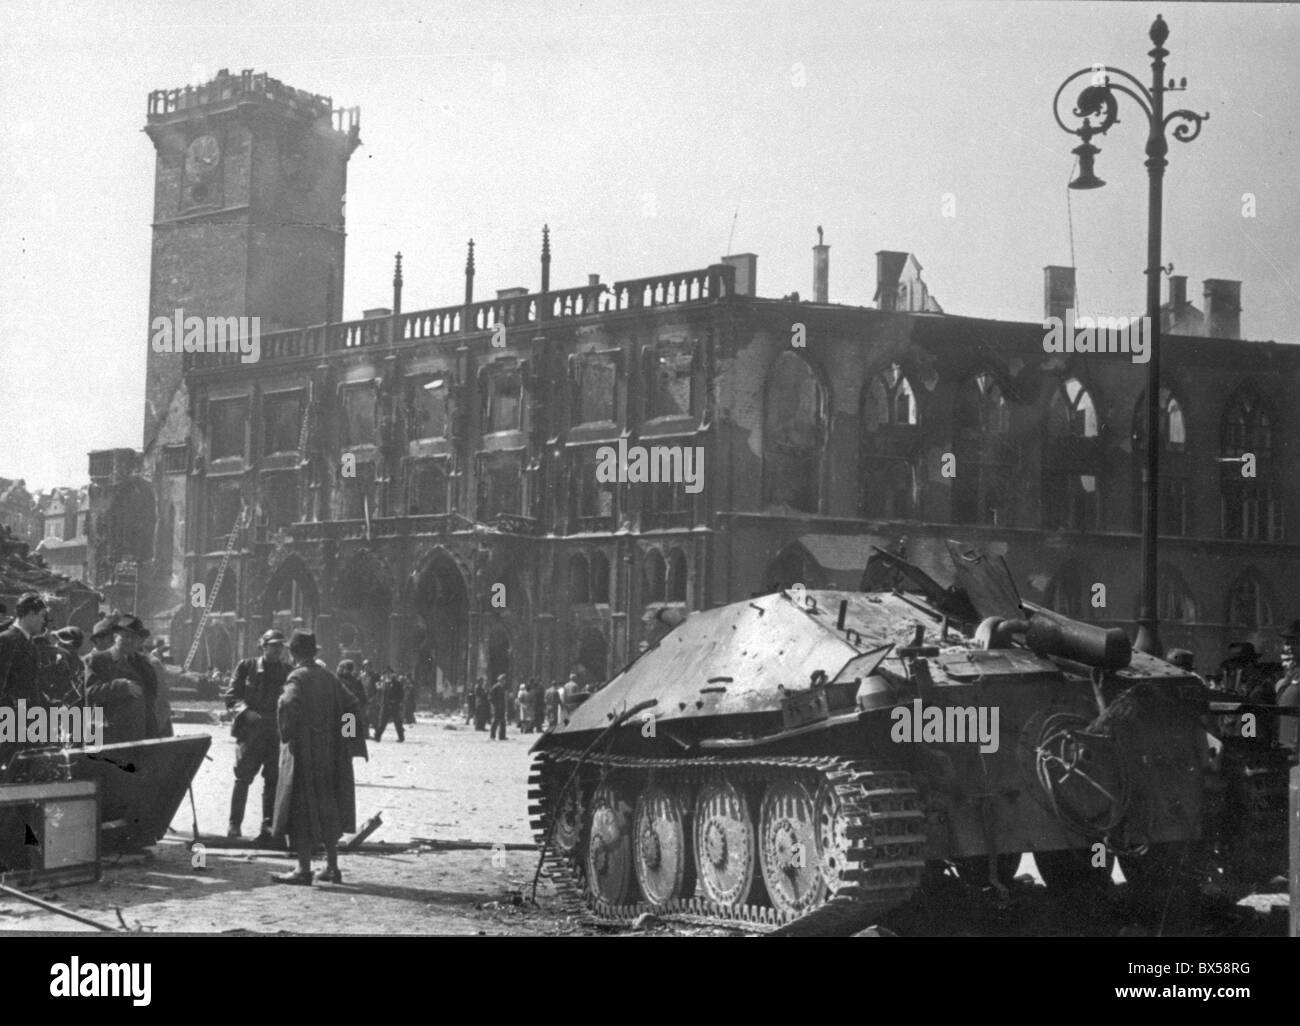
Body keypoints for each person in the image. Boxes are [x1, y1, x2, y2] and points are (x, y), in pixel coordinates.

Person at [270, 630, 360, 886]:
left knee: (301, 809)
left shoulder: (296, 677)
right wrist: (346, 739)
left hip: (305, 755)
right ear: (314, 652)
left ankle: (303, 869)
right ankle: (332, 867)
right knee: (328, 808)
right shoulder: (329, 677)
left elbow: (288, 705)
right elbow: (352, 705)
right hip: (330, 754)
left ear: (292, 652)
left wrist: (288, 734)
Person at [224, 629, 291, 842]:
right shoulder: (247, 666)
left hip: (275, 733)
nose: (277, 650)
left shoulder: (288, 671)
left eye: (280, 646)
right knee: (242, 778)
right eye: (273, 646)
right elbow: (232, 696)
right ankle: (234, 824)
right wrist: (245, 711)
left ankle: (268, 826)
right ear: (263, 646)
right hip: (250, 732)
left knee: (273, 780)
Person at [83, 614, 159, 745]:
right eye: (126, 636)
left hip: (136, 739)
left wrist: (153, 739)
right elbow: (90, 692)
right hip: (106, 739)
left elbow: (150, 705)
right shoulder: (98, 660)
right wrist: (120, 686)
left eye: (135, 638)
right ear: (115, 636)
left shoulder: (145, 666)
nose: (130, 641)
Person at [0, 593, 48, 768]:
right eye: (42, 616)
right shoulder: (7, 640)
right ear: (30, 614)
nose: (44, 621)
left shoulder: (30, 644)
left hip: (26, 721)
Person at [336, 660, 370, 760]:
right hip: (349, 716)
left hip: (344, 716)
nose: (338, 669)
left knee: (343, 745)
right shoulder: (356, 682)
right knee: (347, 746)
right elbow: (363, 700)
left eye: (341, 667)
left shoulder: (337, 681)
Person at [1275, 620, 1300, 756]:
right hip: (1286, 753)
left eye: (1294, 641)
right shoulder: (1287, 680)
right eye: (1286, 642)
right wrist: (1248, 738)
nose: (1287, 647)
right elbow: (1251, 711)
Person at [373, 671, 405, 742]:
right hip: (385, 705)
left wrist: (397, 702)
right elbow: (380, 694)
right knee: (382, 722)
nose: (388, 676)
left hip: (394, 705)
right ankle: (377, 737)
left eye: (390, 674)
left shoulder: (397, 684)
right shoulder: (383, 684)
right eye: (387, 674)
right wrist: (380, 703)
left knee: (397, 722)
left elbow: (401, 695)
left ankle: (401, 737)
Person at [489, 674, 508, 740]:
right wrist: (495, 705)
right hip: (497, 707)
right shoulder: (495, 687)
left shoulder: (502, 687)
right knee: (496, 721)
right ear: (501, 680)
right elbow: (491, 697)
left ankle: (502, 736)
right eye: (504, 679)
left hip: (502, 707)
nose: (505, 681)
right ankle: (492, 736)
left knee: (503, 721)